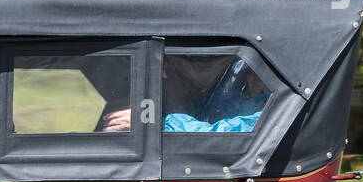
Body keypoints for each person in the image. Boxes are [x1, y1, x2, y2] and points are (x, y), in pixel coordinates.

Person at [100, 58, 268, 133]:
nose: (252, 79)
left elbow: (236, 133)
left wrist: (152, 123)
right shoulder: (222, 101)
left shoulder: (271, 107)